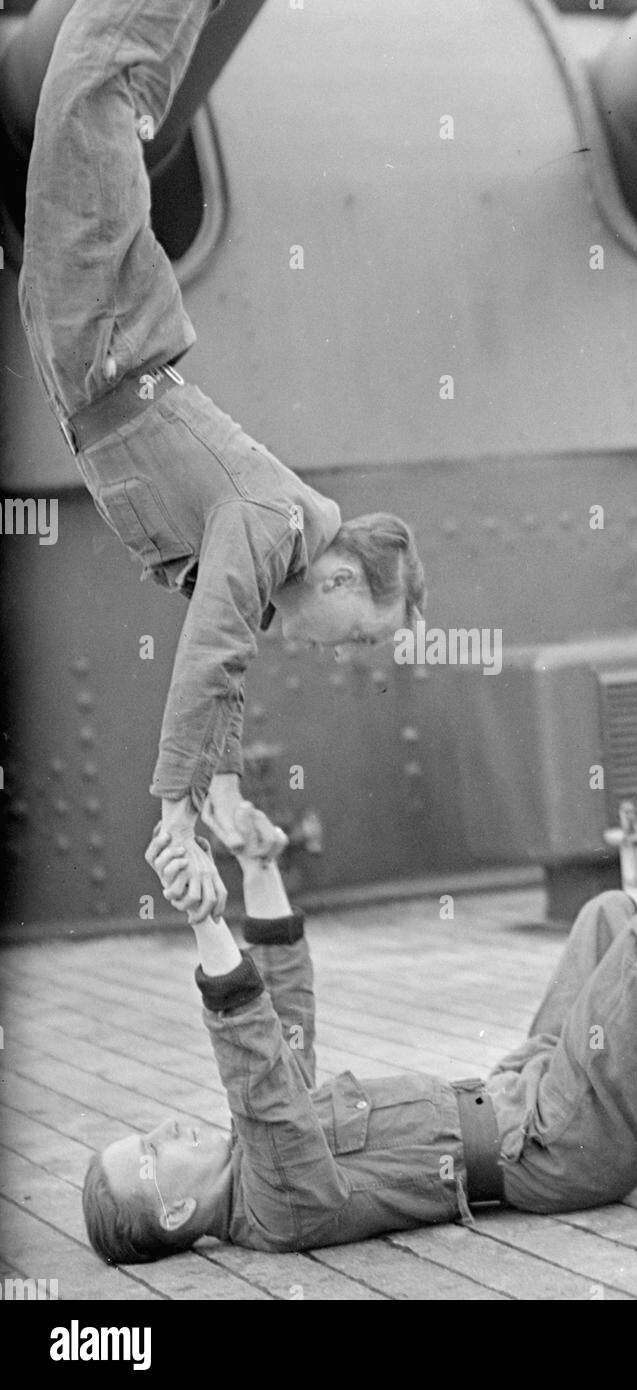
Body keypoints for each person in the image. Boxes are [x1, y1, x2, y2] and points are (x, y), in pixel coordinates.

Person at [16, 0, 424, 916]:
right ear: (346, 580)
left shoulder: (272, 545)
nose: (344, 655)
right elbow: (211, 659)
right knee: (100, 87)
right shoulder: (269, 523)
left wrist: (226, 799)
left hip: (88, 348)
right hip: (104, 328)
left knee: (108, 89)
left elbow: (228, 660)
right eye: (360, 637)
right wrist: (174, 807)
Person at [81, 829, 637, 1265]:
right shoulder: (274, 1203)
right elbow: (258, 1075)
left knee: (608, 912)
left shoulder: (263, 1153)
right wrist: (202, 920)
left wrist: (256, 867)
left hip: (517, 1093)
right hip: (553, 1149)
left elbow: (285, 1026)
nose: (164, 1131)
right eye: (148, 1155)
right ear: (178, 1211)